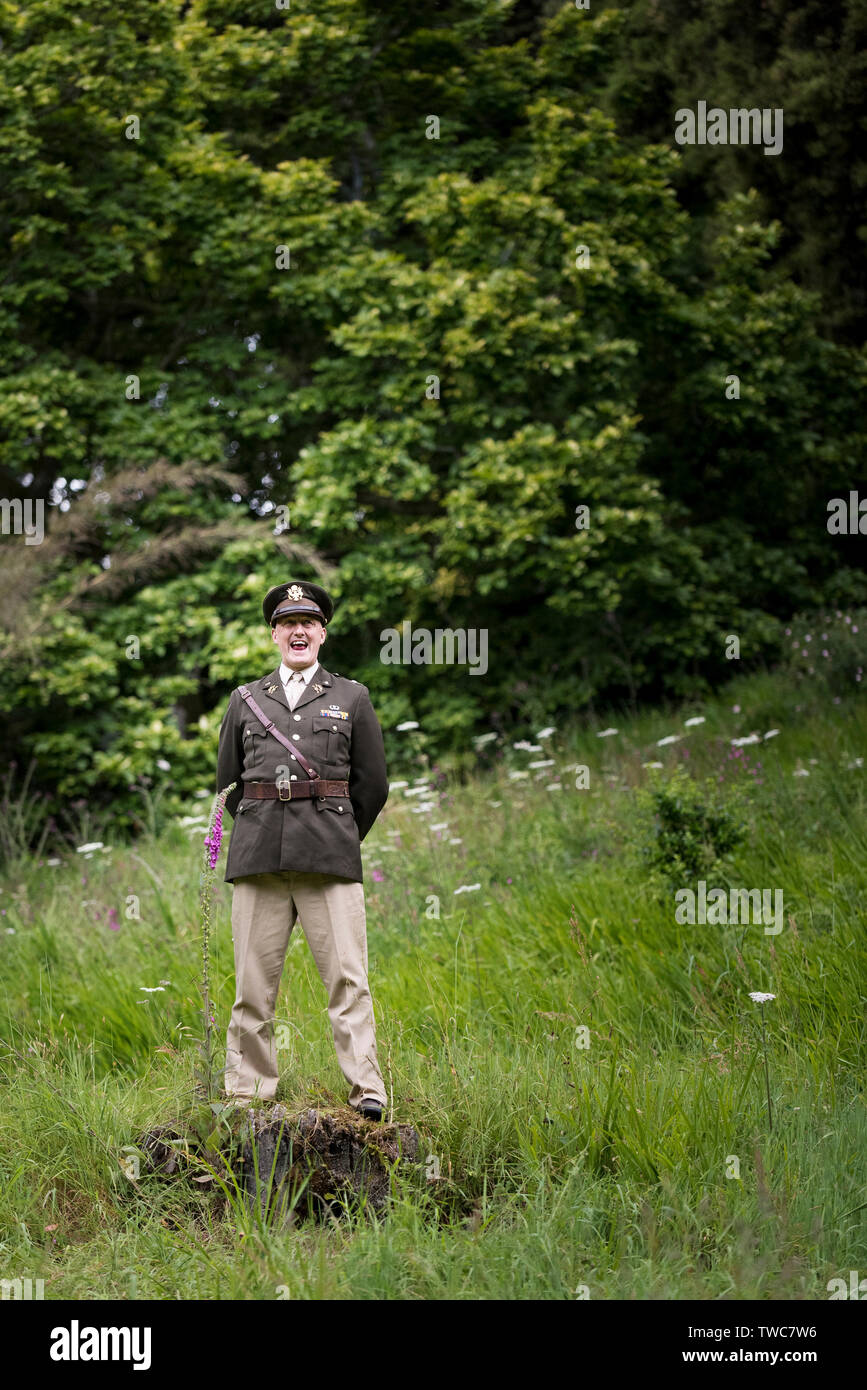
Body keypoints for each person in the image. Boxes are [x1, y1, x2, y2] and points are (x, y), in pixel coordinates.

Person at [215, 579, 390, 1120]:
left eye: (307, 622)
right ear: (274, 634)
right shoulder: (245, 701)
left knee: (348, 981)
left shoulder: (351, 698)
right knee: (251, 988)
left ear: (322, 634)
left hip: (329, 861)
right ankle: (246, 1094)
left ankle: (366, 1091)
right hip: (259, 858)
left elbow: (373, 783)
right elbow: (228, 783)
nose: (298, 631)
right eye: (287, 623)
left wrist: (335, 832)